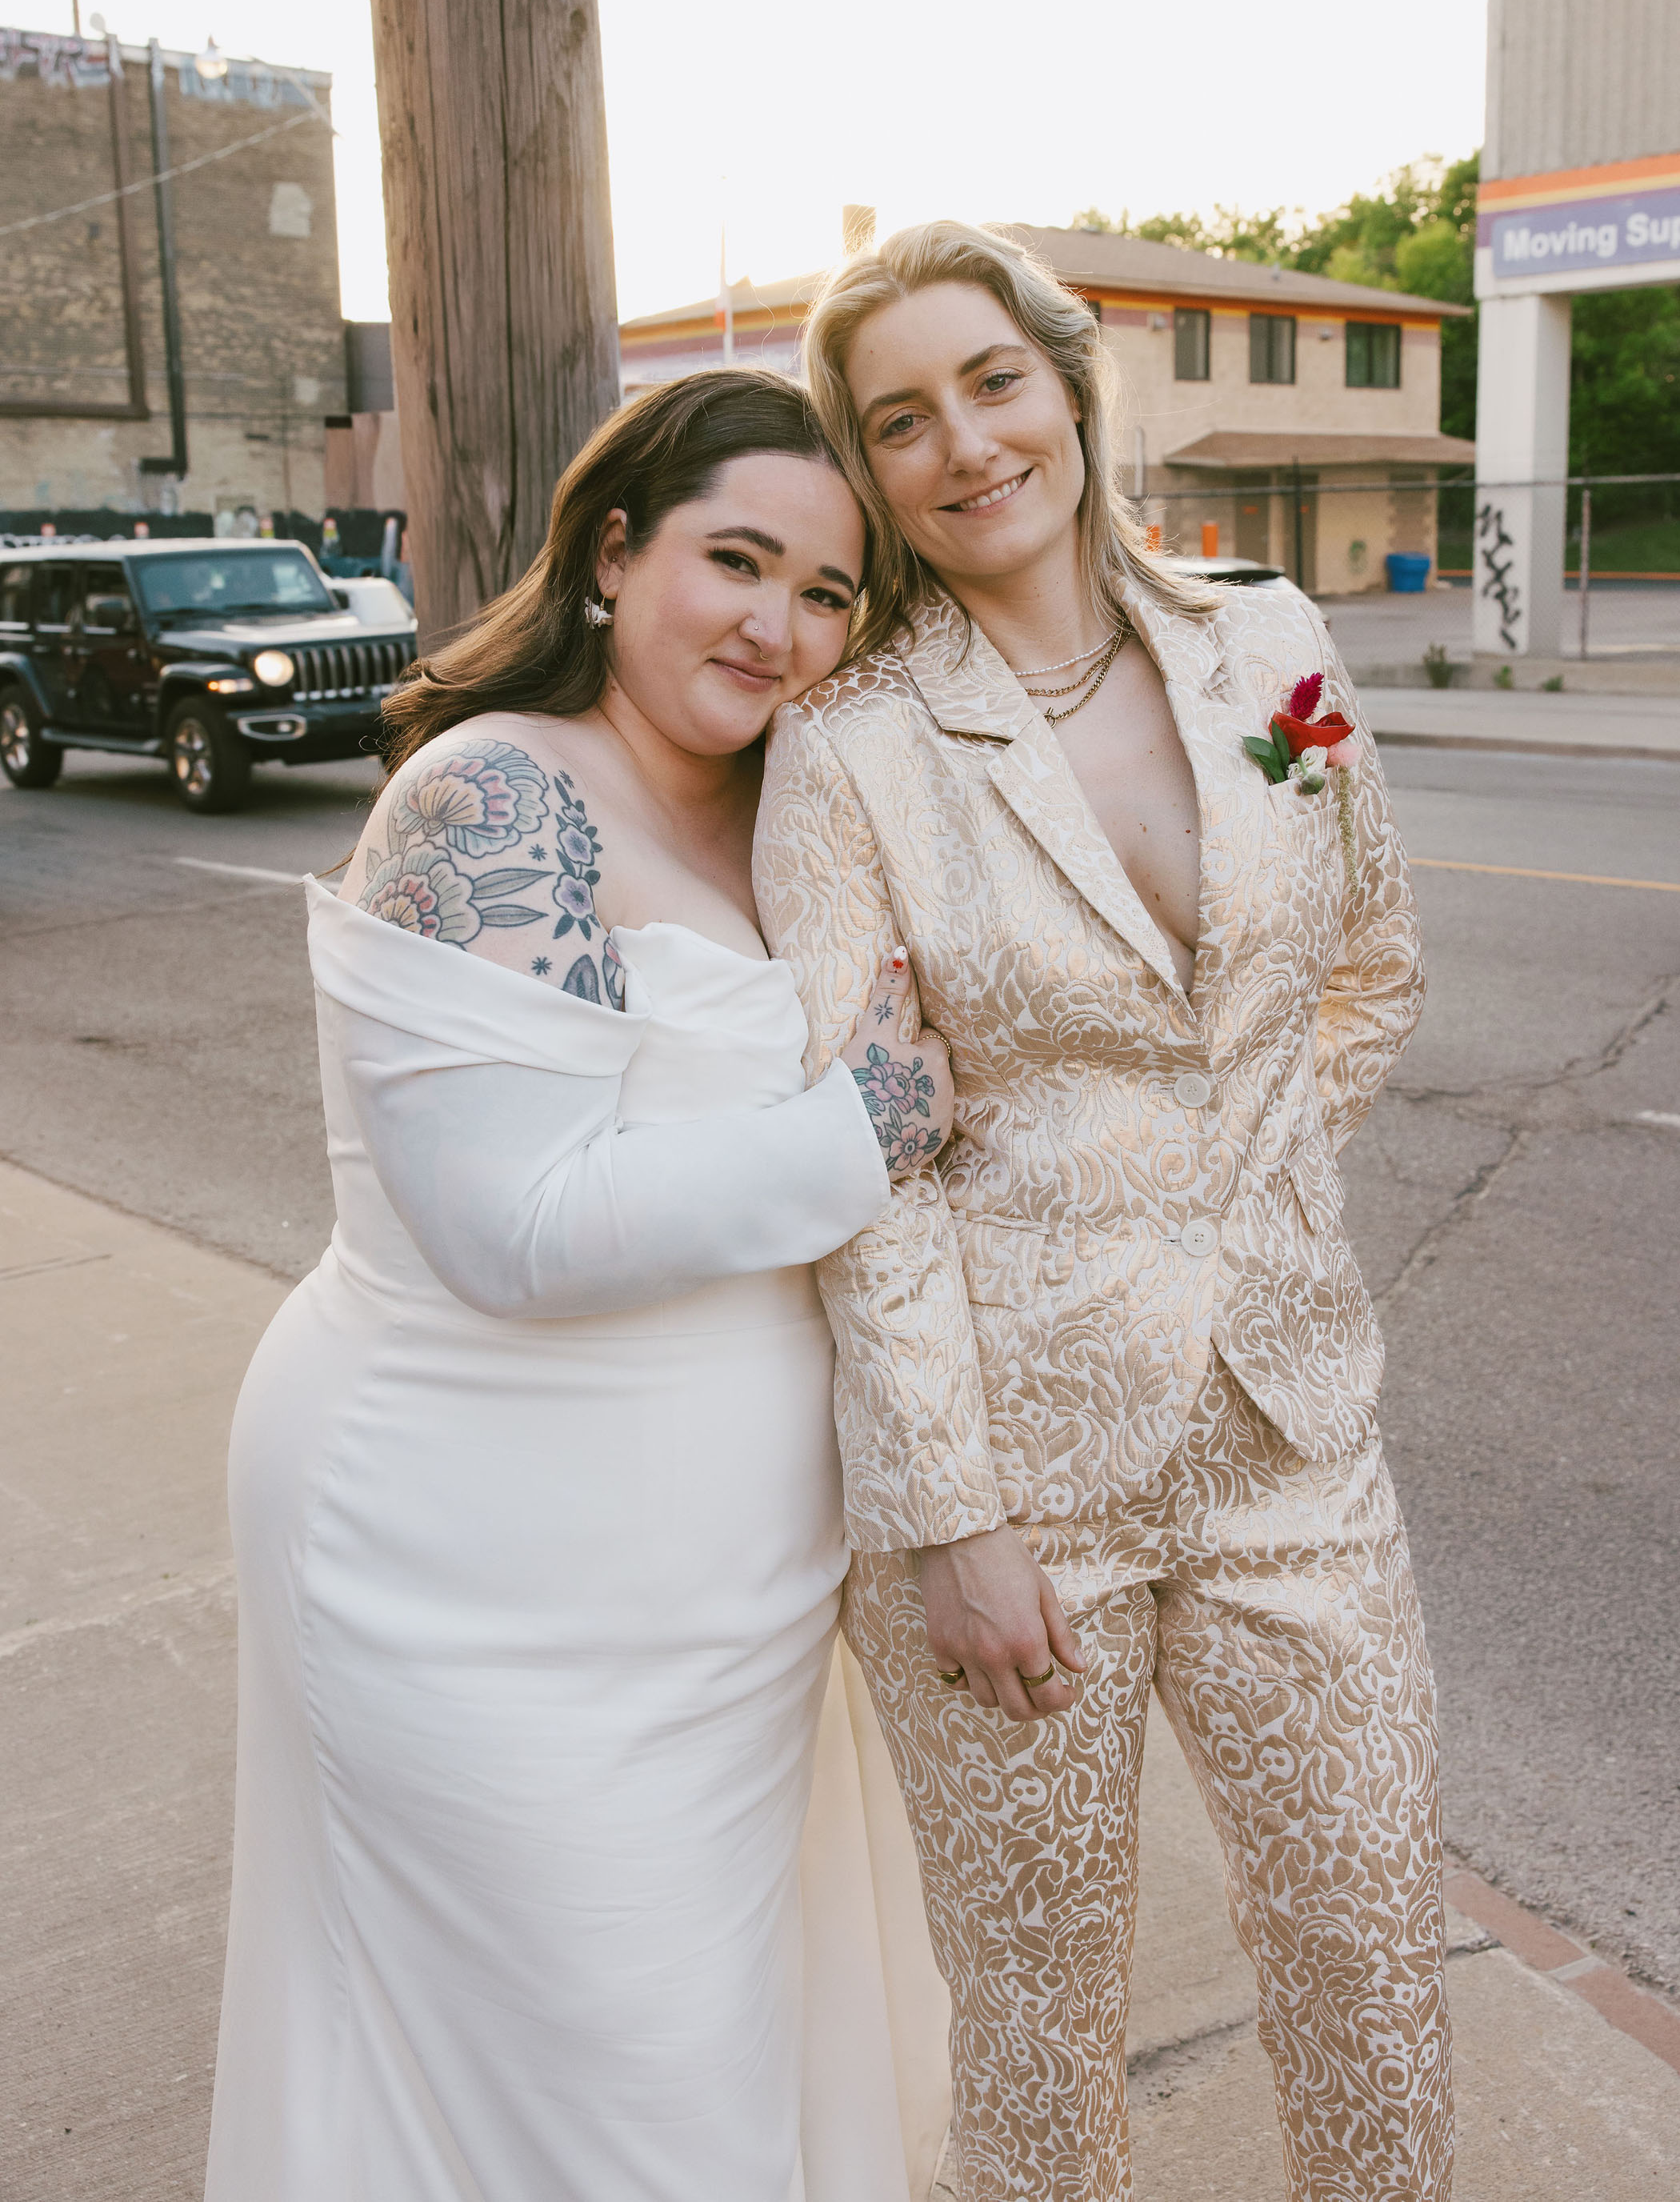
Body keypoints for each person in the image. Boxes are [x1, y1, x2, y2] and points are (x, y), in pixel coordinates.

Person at [755, 221, 1451, 2201]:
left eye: (989, 383)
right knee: (1042, 2037)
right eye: (900, 421)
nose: (963, 444)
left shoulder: (1270, 648)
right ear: (870, 470)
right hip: (1014, 1491)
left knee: (1373, 1968)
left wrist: (1239, 1178)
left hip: (1297, 1441)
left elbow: (1373, 966)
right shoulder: (852, 747)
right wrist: (951, 1517)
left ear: (1067, 383)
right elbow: (861, 1156)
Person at [205, 369, 955, 2202]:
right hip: (470, 1563)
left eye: (829, 592)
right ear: (616, 552)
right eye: (738, 561)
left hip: (725, 1590)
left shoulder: (794, 809)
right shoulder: (493, 796)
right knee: (609, 2088)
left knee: (708, 2054)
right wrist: (872, 1123)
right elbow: (514, 1226)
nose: (779, 625)